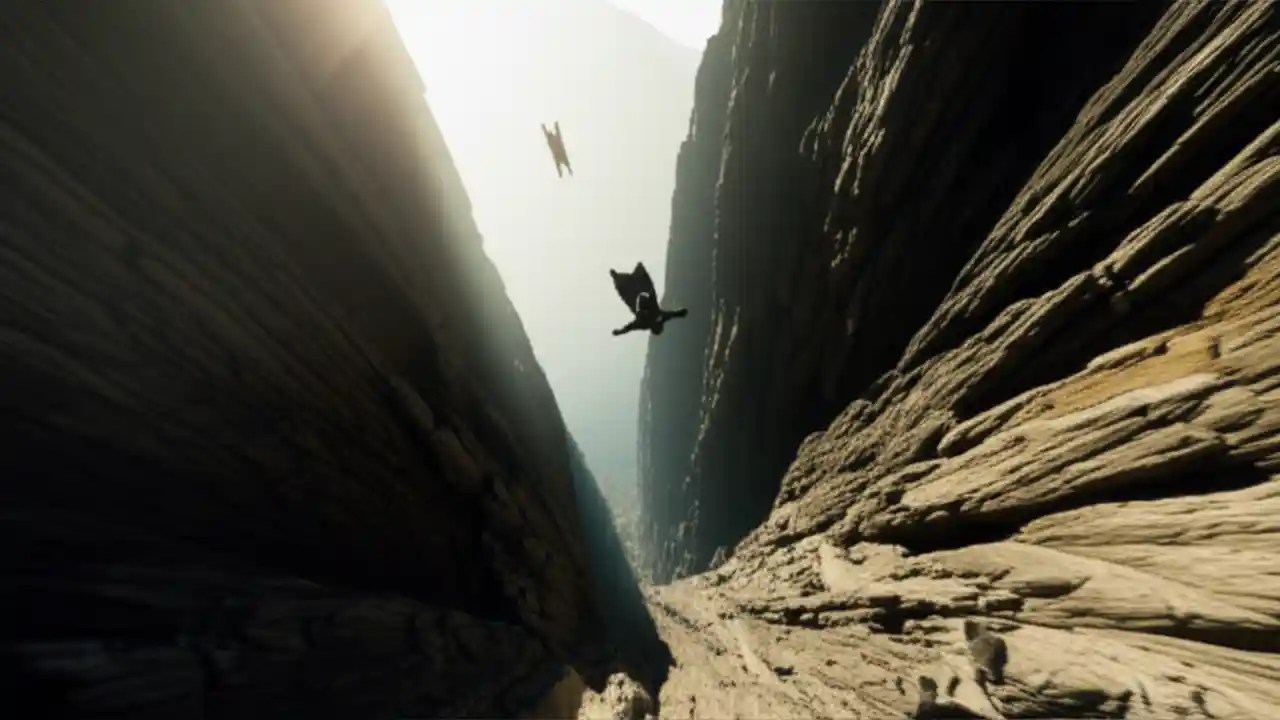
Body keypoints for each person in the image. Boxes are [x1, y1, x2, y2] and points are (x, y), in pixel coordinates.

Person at [609, 262, 688, 336]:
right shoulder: (659, 317)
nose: (658, 323)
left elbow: (630, 327)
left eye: (657, 325)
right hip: (646, 293)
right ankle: (622, 276)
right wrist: (680, 313)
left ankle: (616, 276)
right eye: (659, 324)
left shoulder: (644, 323)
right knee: (639, 282)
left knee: (627, 289)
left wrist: (620, 332)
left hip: (635, 298)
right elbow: (672, 314)